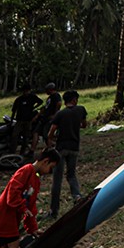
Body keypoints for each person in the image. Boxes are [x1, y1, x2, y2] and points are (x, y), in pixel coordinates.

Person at [0, 149, 60, 248]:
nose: (50, 171)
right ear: (45, 161)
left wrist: (33, 229)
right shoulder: (26, 170)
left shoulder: (35, 179)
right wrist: (22, 208)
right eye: (51, 167)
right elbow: (12, 194)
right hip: (5, 217)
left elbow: (30, 207)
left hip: (12, 219)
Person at [46, 90, 87, 219]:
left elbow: (51, 132)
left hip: (61, 148)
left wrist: (50, 143)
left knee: (57, 180)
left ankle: (54, 211)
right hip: (74, 147)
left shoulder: (60, 114)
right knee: (71, 175)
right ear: (74, 100)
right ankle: (77, 196)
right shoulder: (81, 110)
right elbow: (84, 125)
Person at [9, 85, 42, 156]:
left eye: (27, 91)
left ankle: (22, 152)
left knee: (26, 137)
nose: (26, 92)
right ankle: (12, 152)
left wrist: (34, 107)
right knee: (15, 135)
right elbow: (14, 111)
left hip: (28, 120)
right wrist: (11, 121)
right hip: (19, 120)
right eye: (24, 91)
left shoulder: (32, 97)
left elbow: (40, 102)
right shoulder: (19, 99)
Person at [32, 83, 61, 155]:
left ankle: (51, 150)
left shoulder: (56, 95)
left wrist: (55, 114)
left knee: (46, 134)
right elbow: (46, 107)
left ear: (50, 90)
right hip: (44, 118)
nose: (46, 92)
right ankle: (32, 150)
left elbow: (59, 103)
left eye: (47, 90)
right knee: (36, 132)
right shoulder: (50, 97)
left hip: (49, 118)